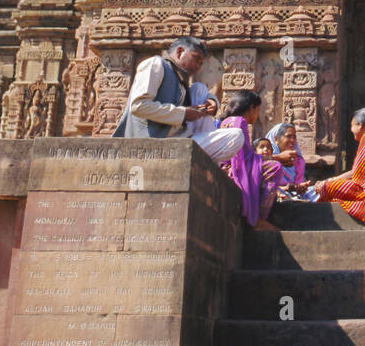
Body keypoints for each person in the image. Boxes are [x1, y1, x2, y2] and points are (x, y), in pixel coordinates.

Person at [112, 37, 210, 138]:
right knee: (228, 136)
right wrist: (183, 113)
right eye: (196, 59)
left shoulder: (180, 81)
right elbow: (138, 106)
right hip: (151, 141)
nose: (198, 67)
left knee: (199, 88)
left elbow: (198, 93)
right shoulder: (156, 64)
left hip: (183, 138)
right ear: (180, 52)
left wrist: (212, 101)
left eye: (201, 64)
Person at [217, 89, 284, 231]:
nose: (257, 114)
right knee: (275, 167)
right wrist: (272, 158)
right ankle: (259, 219)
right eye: (258, 110)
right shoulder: (239, 121)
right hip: (237, 169)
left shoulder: (225, 121)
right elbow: (242, 157)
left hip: (230, 166)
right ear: (251, 108)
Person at [317, 107, 365, 225]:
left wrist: (329, 181)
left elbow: (356, 174)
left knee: (327, 188)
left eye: (352, 126)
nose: (351, 130)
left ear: (359, 125)